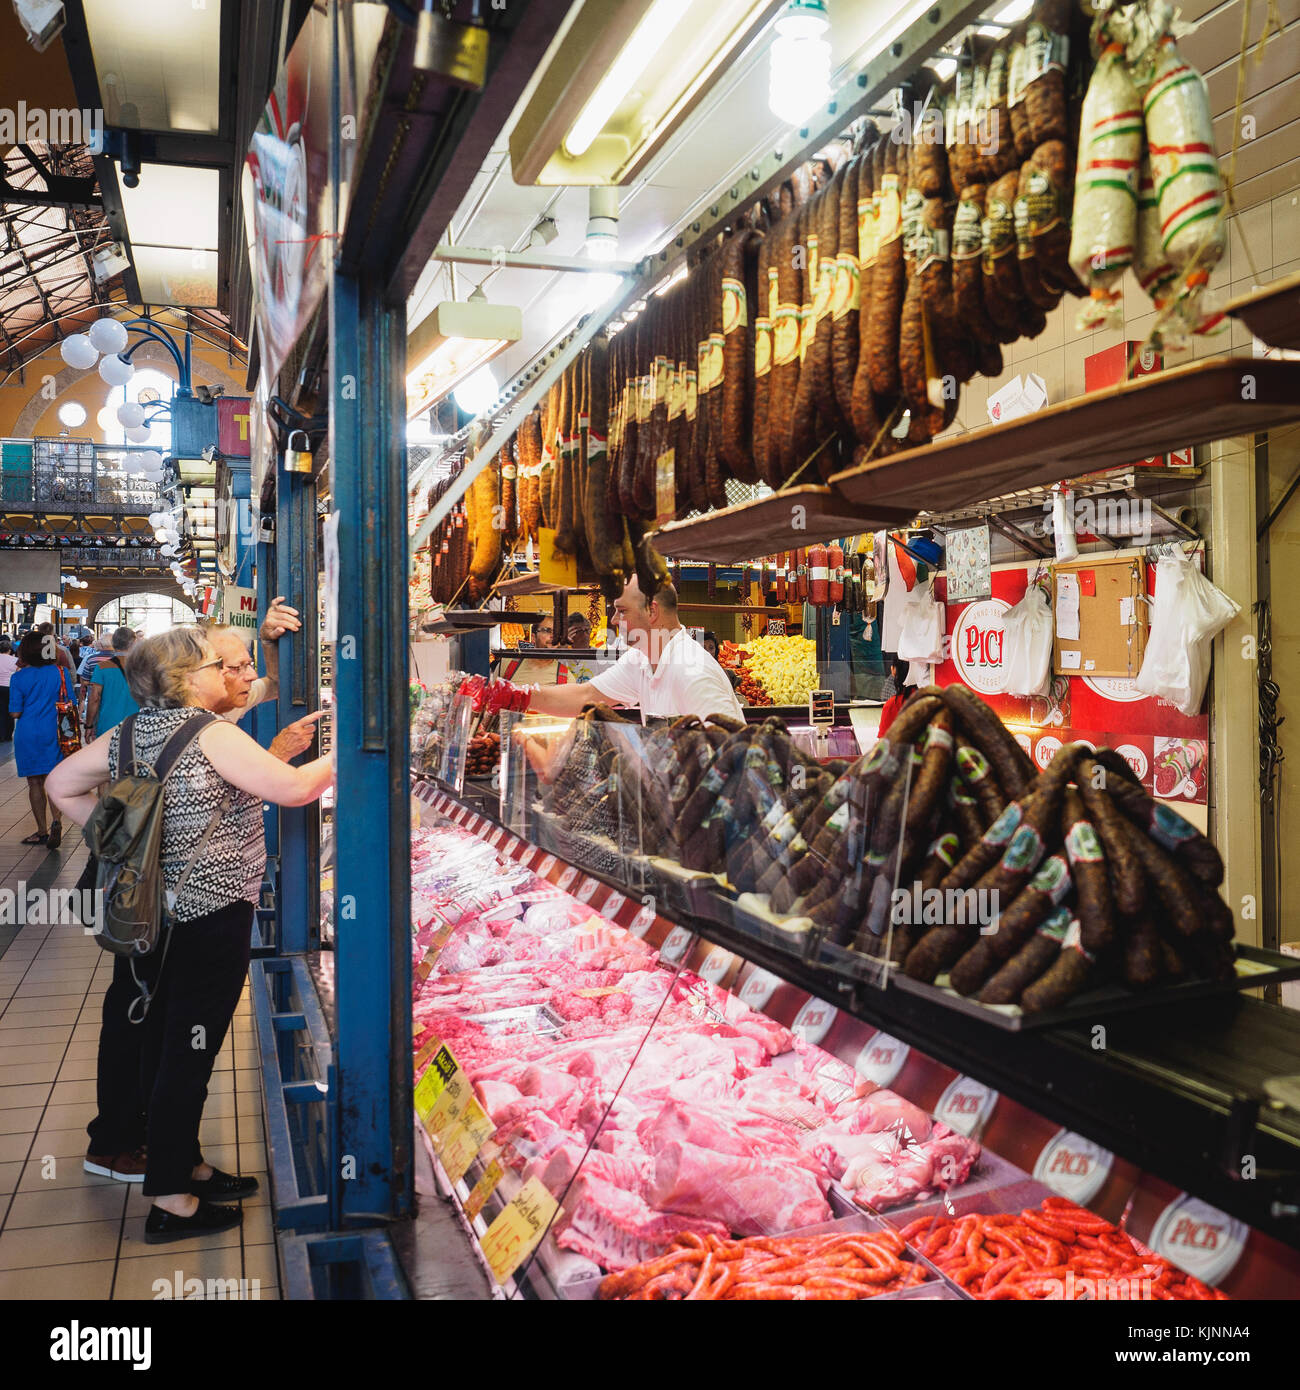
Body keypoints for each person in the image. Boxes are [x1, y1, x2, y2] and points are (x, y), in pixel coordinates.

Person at [47, 627, 335, 1242]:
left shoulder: (130, 733)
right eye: (216, 664)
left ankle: (186, 1163)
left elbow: (59, 785)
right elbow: (295, 789)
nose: (227, 674)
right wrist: (362, 746)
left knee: (163, 1041)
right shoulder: (211, 734)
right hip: (209, 916)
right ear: (187, 677)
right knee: (189, 1049)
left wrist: (126, 845)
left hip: (151, 915)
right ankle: (171, 1195)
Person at [528, 577, 745, 723]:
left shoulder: (693, 672)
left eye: (622, 611)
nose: (614, 620)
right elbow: (586, 695)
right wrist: (521, 696)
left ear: (651, 611)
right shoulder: (640, 659)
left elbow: (731, 758)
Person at [10, 631, 65, 846]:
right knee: (54, 779)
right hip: (54, 731)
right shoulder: (59, 673)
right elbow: (69, 701)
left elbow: (15, 712)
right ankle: (57, 821)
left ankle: (41, 831)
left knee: (34, 782)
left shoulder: (19, 677)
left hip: (28, 732)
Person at [84, 627, 140, 740]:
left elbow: (94, 698)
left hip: (108, 725)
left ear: (113, 644)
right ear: (134, 643)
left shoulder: (102, 667)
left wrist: (89, 725)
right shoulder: (144, 667)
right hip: (136, 725)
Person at [0, 637, 16, 741]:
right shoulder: (15, 660)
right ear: (9, 650)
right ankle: (8, 734)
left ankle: (1, 734)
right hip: (10, 687)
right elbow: (20, 673)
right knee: (9, 711)